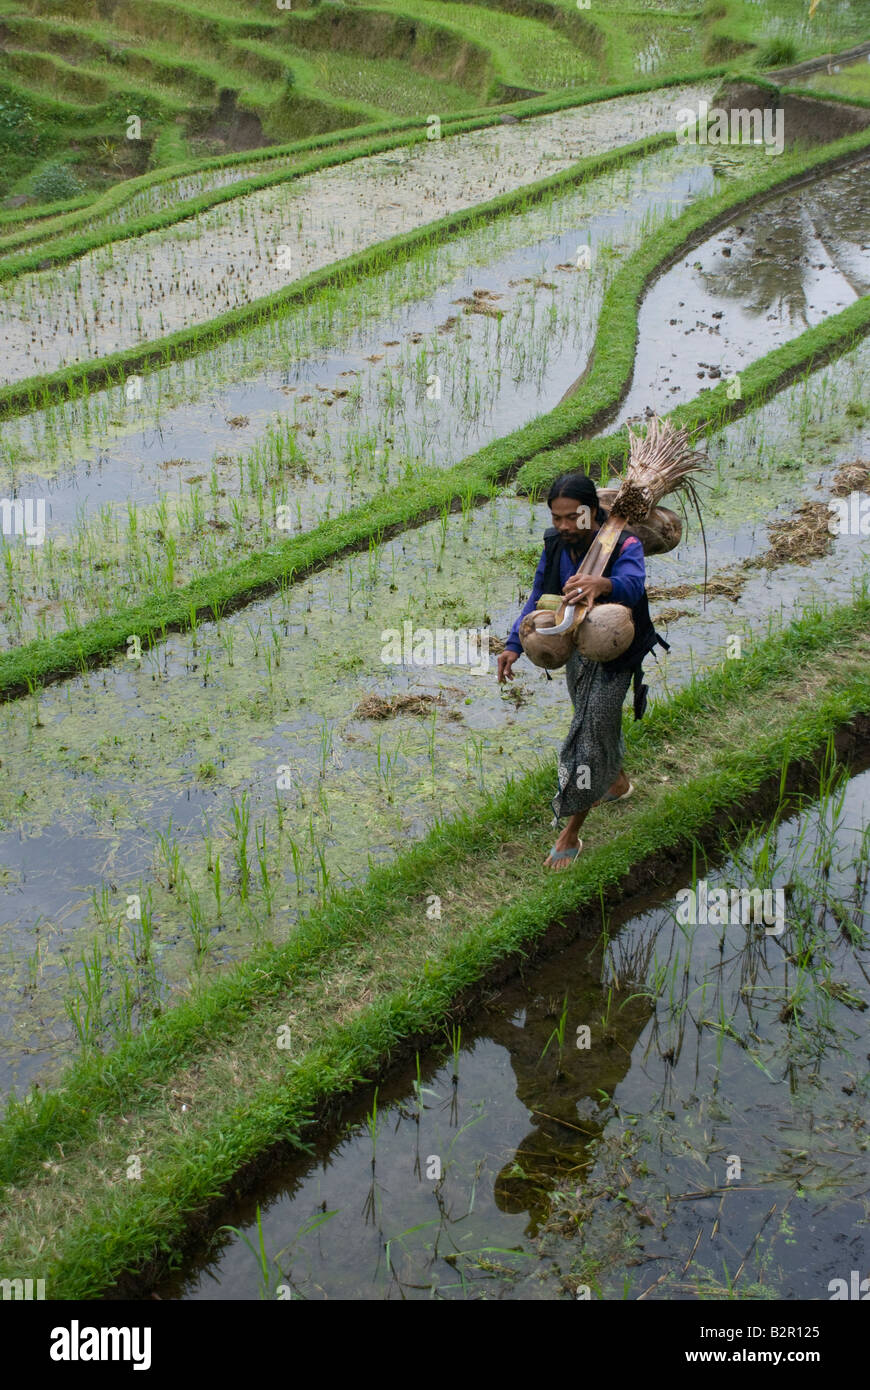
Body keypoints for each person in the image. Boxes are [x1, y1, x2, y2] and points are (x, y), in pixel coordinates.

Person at [496, 472, 668, 870]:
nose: (564, 526)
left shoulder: (622, 542)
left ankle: (571, 830)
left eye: (573, 518)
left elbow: (633, 583)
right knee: (594, 722)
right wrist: (513, 644)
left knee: (588, 736)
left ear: (592, 511)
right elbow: (540, 593)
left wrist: (602, 584)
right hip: (576, 649)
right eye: (557, 518)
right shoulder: (557, 544)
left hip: (615, 653)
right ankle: (618, 782)